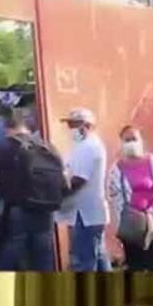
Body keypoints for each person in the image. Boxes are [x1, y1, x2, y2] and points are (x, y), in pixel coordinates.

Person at [0, 116, 67, 272]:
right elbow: (64, 181)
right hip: (45, 209)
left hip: (16, 209)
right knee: (43, 256)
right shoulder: (47, 146)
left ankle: (0, 288)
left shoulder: (1, 147)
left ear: (7, 129)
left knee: (6, 254)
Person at [54, 109, 110, 272]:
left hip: (85, 214)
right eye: (69, 125)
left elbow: (78, 180)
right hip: (88, 213)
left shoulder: (88, 147)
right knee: (98, 256)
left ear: (87, 125)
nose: (70, 129)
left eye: (74, 124)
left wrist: (57, 193)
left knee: (83, 260)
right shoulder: (83, 146)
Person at [108, 125, 153, 271]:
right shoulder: (116, 169)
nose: (131, 143)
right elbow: (113, 197)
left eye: (134, 139)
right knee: (135, 266)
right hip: (131, 225)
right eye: (127, 140)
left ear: (141, 140)